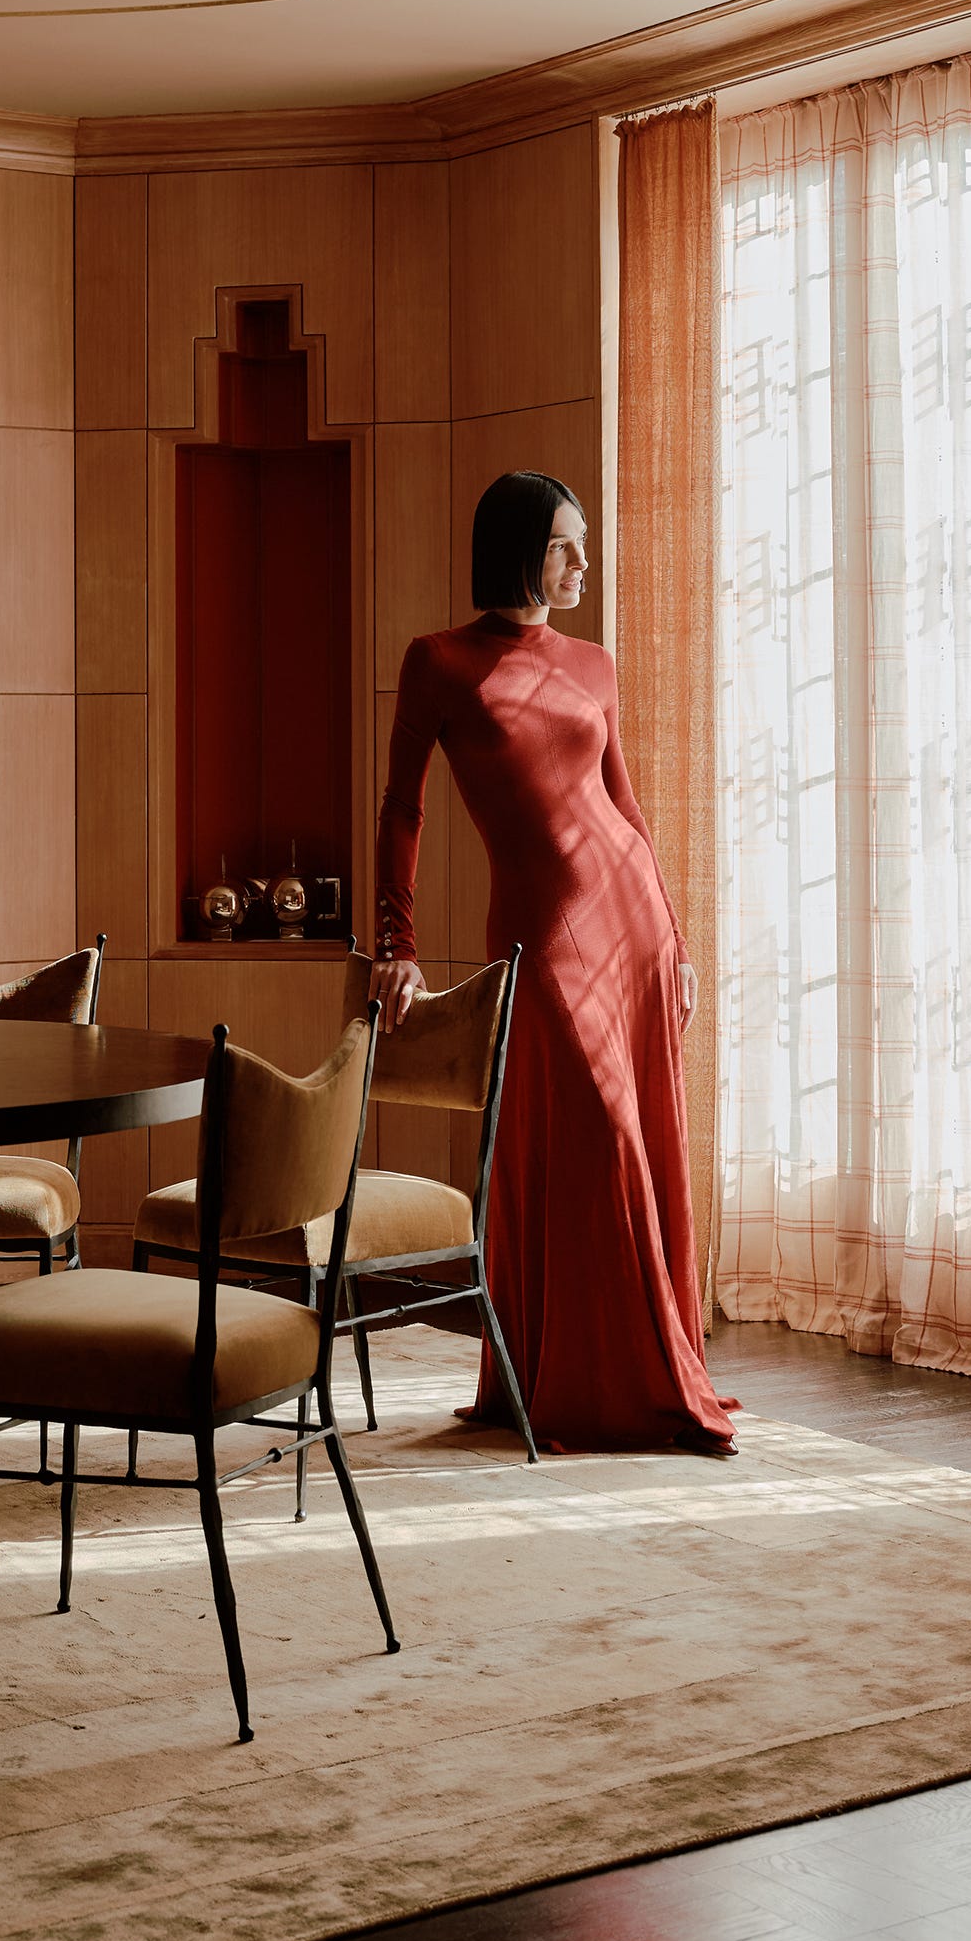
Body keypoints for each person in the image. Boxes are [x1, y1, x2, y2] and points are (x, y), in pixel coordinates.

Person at [371, 470, 736, 1455]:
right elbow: (400, 808)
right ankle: (589, 1383)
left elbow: (626, 810)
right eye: (563, 545)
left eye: (580, 545)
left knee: (637, 1140)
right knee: (597, 1138)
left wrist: (678, 941)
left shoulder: (595, 664)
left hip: (633, 930)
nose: (580, 563)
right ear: (516, 549)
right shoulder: (438, 662)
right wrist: (395, 944)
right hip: (542, 933)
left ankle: (650, 1372)